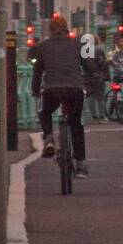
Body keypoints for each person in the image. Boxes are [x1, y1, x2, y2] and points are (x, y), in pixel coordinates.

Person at [33, 15, 89, 177]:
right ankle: (80, 166)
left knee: (44, 111)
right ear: (66, 28)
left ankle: (49, 137)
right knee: (76, 124)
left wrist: (36, 90)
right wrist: (91, 83)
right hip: (74, 88)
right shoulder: (78, 44)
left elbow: (37, 72)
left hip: (52, 88)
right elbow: (89, 66)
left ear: (51, 30)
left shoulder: (43, 46)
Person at [82, 34, 109, 121]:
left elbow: (83, 65)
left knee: (91, 96)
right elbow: (104, 63)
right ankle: (101, 115)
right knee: (100, 97)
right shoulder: (99, 50)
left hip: (87, 76)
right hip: (99, 76)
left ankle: (94, 116)